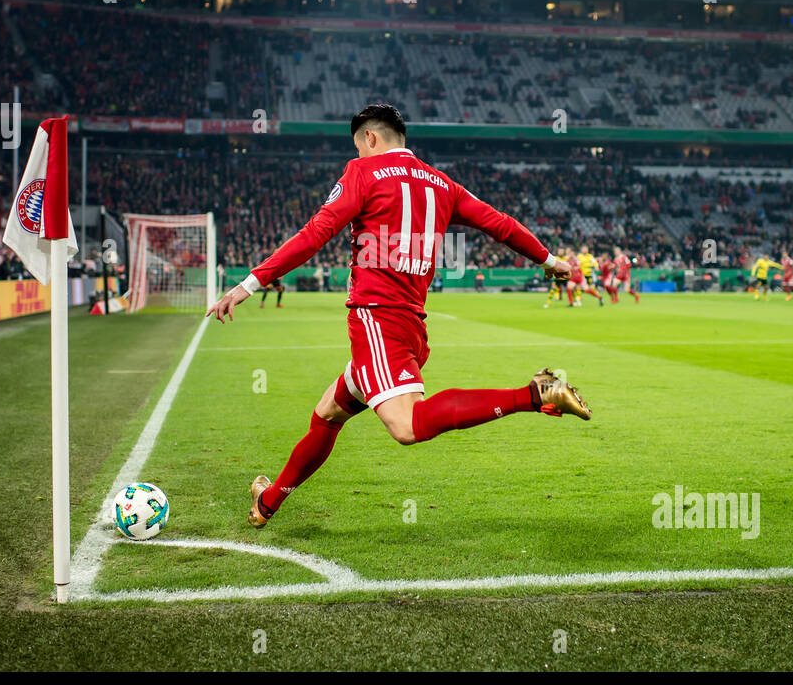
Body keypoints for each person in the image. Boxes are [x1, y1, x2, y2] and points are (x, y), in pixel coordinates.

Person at [206, 103, 591, 527]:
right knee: (327, 415)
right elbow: (499, 223)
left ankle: (535, 393)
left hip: (376, 320)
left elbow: (315, 233)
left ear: (369, 138)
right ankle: (267, 502)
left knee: (407, 427)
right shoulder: (442, 183)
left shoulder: (361, 174)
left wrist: (248, 284)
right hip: (410, 327)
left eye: (358, 148)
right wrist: (549, 259)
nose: (356, 156)